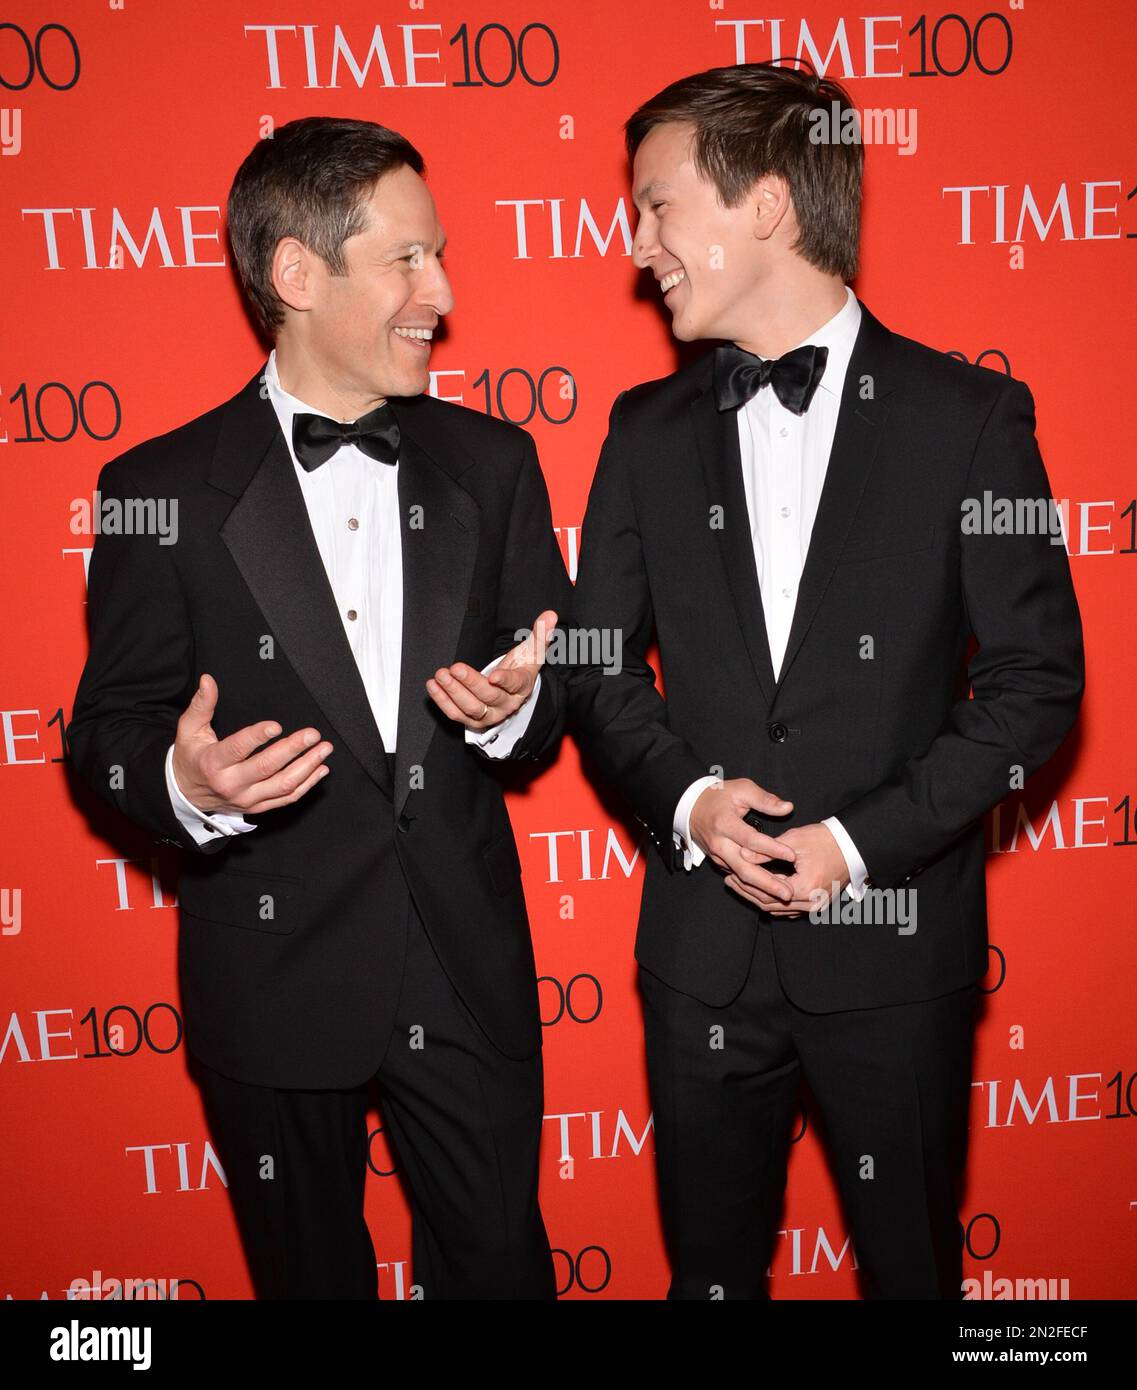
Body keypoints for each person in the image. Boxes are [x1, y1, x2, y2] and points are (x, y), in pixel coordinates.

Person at [562, 62, 1083, 1298]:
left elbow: (1037, 685)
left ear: (769, 204)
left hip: (894, 953)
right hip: (701, 958)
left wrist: (855, 844)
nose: (637, 245)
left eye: (657, 205)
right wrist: (691, 801)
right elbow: (596, 665)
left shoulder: (970, 419)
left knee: (913, 1275)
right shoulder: (643, 431)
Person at [68, 116, 572, 1300]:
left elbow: (556, 689)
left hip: (463, 963)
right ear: (297, 273)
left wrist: (513, 709)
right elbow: (105, 732)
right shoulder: (157, 490)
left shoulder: (493, 465)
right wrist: (183, 781)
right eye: (407, 259)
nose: (442, 293)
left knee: (503, 1275)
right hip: (273, 974)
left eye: (439, 256)